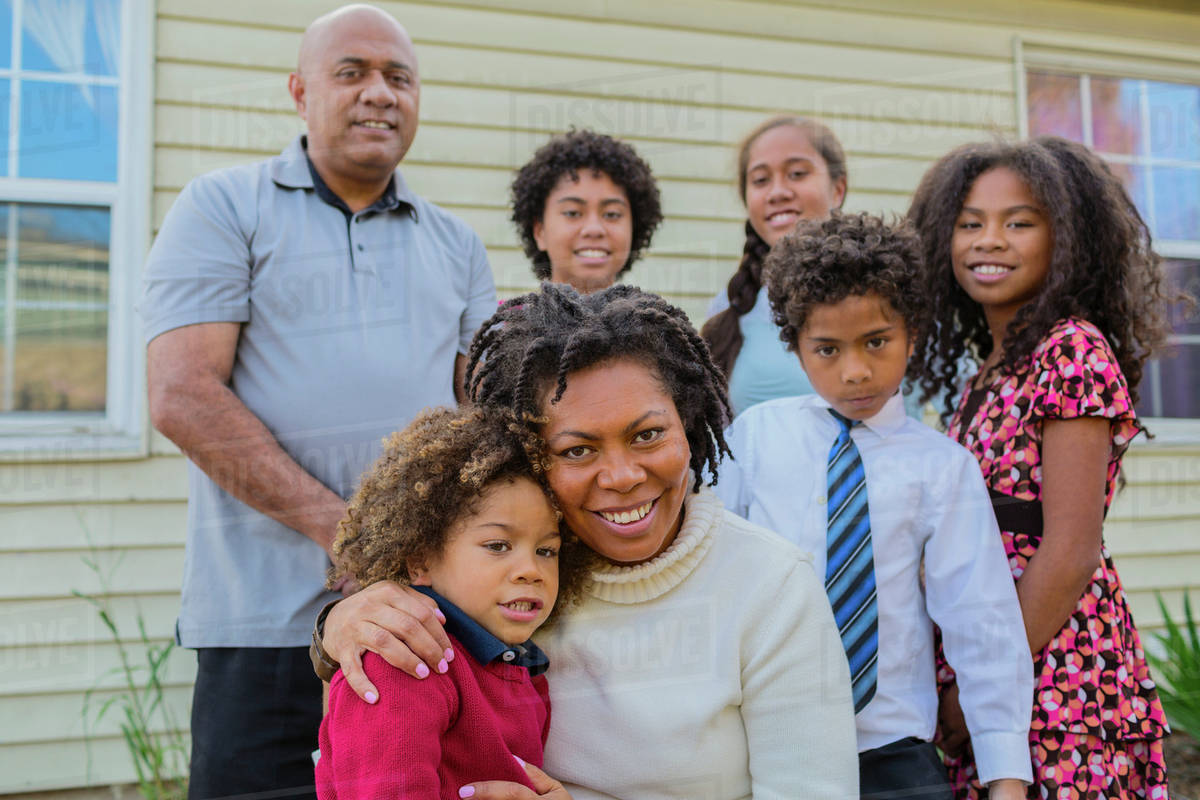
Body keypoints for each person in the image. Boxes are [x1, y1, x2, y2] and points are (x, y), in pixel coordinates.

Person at [311, 283, 860, 799]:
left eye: (648, 435)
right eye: (577, 450)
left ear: (689, 426)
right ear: (526, 456)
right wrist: (336, 628)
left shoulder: (772, 585)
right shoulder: (494, 582)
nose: (621, 476)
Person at [138, 6, 496, 797]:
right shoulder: (223, 206)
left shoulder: (458, 246)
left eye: (399, 78)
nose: (380, 93)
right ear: (300, 92)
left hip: (419, 626)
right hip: (263, 633)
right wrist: (349, 537)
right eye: (352, 73)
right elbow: (181, 393)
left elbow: (481, 421)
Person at [716, 212, 1033, 800]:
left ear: (912, 332)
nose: (855, 370)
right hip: (768, 740)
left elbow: (982, 620)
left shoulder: (943, 469)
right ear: (796, 347)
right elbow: (710, 573)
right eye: (827, 349)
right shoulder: (755, 439)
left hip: (894, 748)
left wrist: (1006, 776)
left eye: (876, 342)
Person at [907, 136, 1177, 799]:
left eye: (1019, 222)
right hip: (995, 663)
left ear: (1067, 238)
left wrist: (981, 681)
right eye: (970, 223)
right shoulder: (987, 371)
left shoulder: (1071, 350)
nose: (988, 241)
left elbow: (1069, 551)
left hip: (1055, 665)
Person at [315, 405, 591, 799]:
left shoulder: (524, 670)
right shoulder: (401, 660)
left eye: (546, 551)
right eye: (498, 546)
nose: (531, 570)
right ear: (420, 561)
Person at [701, 115, 847, 416]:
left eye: (797, 173)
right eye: (760, 180)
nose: (778, 192)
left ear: (838, 189)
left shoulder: (887, 292)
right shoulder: (729, 307)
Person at [510, 128, 662, 294]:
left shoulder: (658, 311)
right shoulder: (506, 312)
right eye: (573, 213)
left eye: (612, 214)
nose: (594, 229)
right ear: (540, 232)